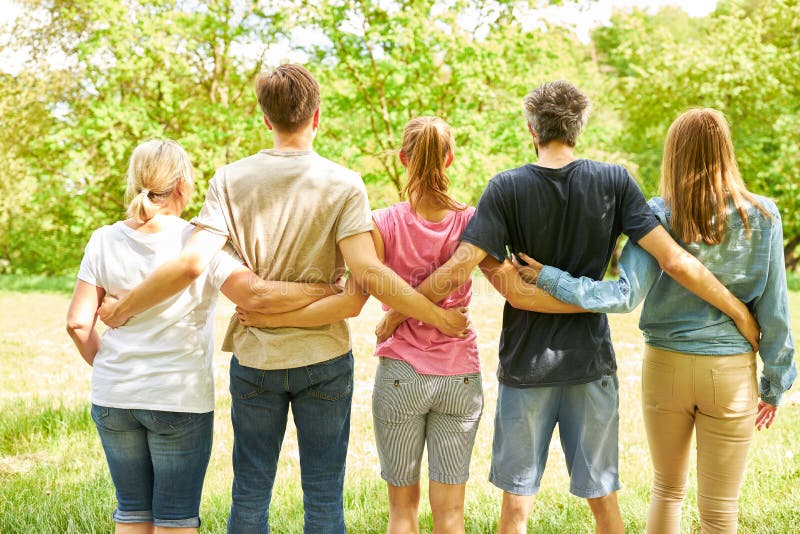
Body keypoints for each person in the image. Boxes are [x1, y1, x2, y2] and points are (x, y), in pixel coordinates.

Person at [373, 82, 760, 534]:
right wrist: (738, 310)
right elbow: (673, 260)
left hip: (526, 367)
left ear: (531, 128)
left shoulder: (505, 187)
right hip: (590, 365)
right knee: (604, 505)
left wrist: (398, 312)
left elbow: (468, 271)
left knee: (516, 510)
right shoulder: (615, 182)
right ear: (579, 127)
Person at [96, 65, 468, 534]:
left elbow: (192, 263)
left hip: (257, 358)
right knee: (324, 495)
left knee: (250, 493)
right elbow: (368, 274)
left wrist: (122, 308)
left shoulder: (229, 179)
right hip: (324, 356)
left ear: (266, 117)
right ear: (317, 116)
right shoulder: (343, 182)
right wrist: (437, 316)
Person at [236, 116, 528, 533]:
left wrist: (272, 315)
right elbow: (511, 287)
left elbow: (349, 301)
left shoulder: (380, 224)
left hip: (400, 376)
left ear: (403, 159)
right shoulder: (474, 222)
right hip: (459, 375)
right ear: (450, 158)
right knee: (450, 514)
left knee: (402, 513)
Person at [519, 108, 797, 534]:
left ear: (674, 154)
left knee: (667, 492)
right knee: (720, 511)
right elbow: (775, 311)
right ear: (726, 150)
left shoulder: (659, 214)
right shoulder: (764, 216)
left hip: (666, 367)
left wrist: (552, 277)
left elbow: (623, 295)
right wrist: (775, 383)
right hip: (729, 372)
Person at [65, 140, 243, 533]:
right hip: (177, 399)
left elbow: (78, 323)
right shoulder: (202, 241)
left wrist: (110, 364)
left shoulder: (103, 239)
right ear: (182, 185)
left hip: (114, 396)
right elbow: (250, 293)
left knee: (131, 512)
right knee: (176, 518)